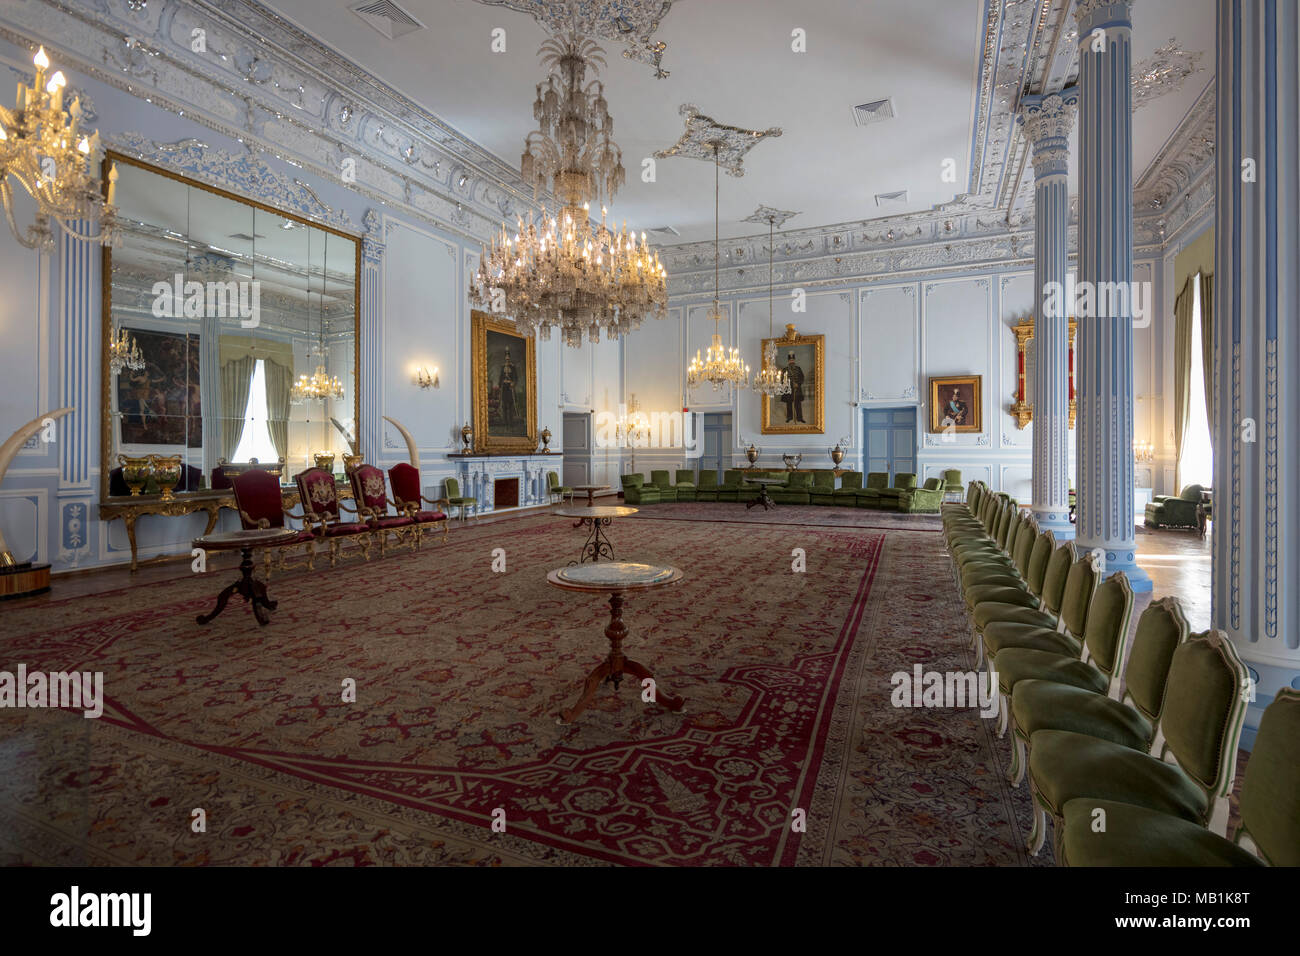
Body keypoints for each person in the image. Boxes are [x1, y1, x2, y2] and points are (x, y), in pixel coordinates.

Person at [780, 352, 806, 423]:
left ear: (794, 360)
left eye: (793, 360)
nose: (791, 361)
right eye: (790, 360)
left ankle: (799, 418)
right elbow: (782, 379)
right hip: (788, 389)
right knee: (789, 404)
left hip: (797, 389)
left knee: (798, 404)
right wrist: (787, 385)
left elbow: (802, 377)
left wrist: (798, 384)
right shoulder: (785, 370)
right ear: (788, 361)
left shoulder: (798, 368)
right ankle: (789, 417)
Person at [498, 347, 518, 429]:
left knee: (510, 405)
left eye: (508, 358)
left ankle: (511, 422)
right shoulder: (502, 367)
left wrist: (513, 383)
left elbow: (516, 378)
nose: (507, 360)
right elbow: (500, 377)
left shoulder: (513, 367)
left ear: (510, 358)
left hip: (510, 388)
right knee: (504, 405)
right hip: (504, 388)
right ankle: (505, 422)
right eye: (506, 359)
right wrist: (500, 385)